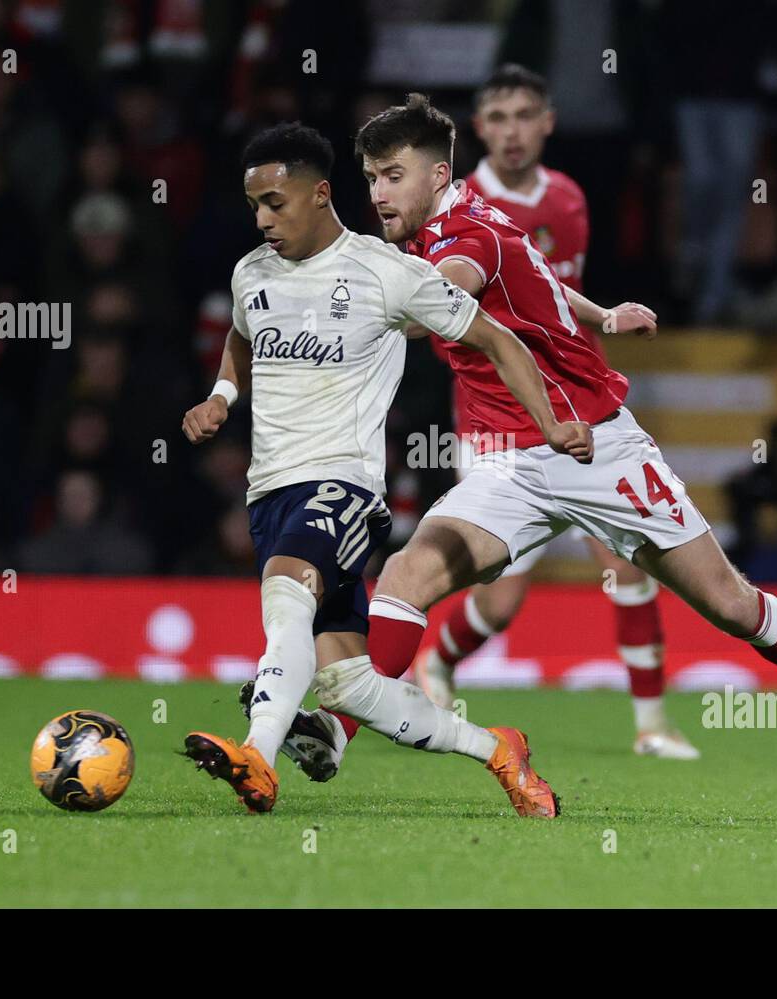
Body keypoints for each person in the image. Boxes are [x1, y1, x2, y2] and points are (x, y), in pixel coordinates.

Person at [265, 95, 777, 796]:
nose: (378, 193)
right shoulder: (474, 222)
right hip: (516, 462)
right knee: (408, 573)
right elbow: (536, 277)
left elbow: (444, 293)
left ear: (438, 176)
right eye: (371, 177)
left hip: (597, 449)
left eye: (393, 175)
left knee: (732, 605)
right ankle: (331, 734)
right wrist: (603, 313)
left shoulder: (461, 241)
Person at [179, 122, 591, 817]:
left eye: (276, 203)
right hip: (270, 492)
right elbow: (242, 336)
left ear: (321, 193)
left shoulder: (386, 272)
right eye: (254, 205)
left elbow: (494, 336)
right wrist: (221, 396)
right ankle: (498, 748)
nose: (262, 219)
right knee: (348, 686)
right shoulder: (251, 272)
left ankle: (258, 753)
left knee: (288, 595)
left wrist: (551, 423)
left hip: (342, 485)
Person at [410, 64, 696, 759]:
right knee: (501, 600)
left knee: (630, 566)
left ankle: (653, 726)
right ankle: (436, 662)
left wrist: (605, 319)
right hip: (495, 423)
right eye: (498, 117)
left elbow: (553, 297)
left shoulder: (568, 200)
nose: (511, 131)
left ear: (548, 123)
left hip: (577, 417)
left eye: (524, 115)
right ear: (479, 128)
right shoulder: (455, 201)